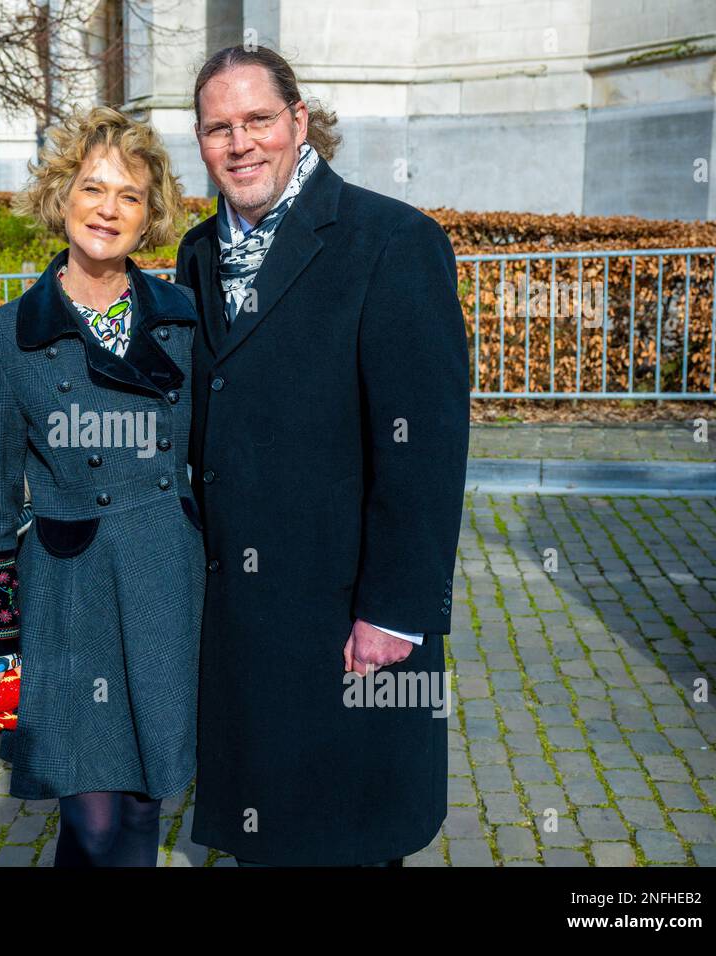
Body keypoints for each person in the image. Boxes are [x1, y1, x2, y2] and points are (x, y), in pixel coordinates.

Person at [174, 44, 470, 867]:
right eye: (217, 128)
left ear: (299, 122)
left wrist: (394, 611)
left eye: (258, 120)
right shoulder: (198, 254)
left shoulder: (391, 241)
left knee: (350, 833)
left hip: (347, 617)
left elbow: (427, 451)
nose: (240, 144)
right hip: (241, 617)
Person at [0, 105, 204, 866]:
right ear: (62, 198)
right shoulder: (5, 337)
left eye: (130, 195)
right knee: (92, 824)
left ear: (149, 215)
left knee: (142, 811)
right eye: (93, 188)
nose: (109, 209)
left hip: (167, 581)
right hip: (72, 592)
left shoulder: (185, 321)